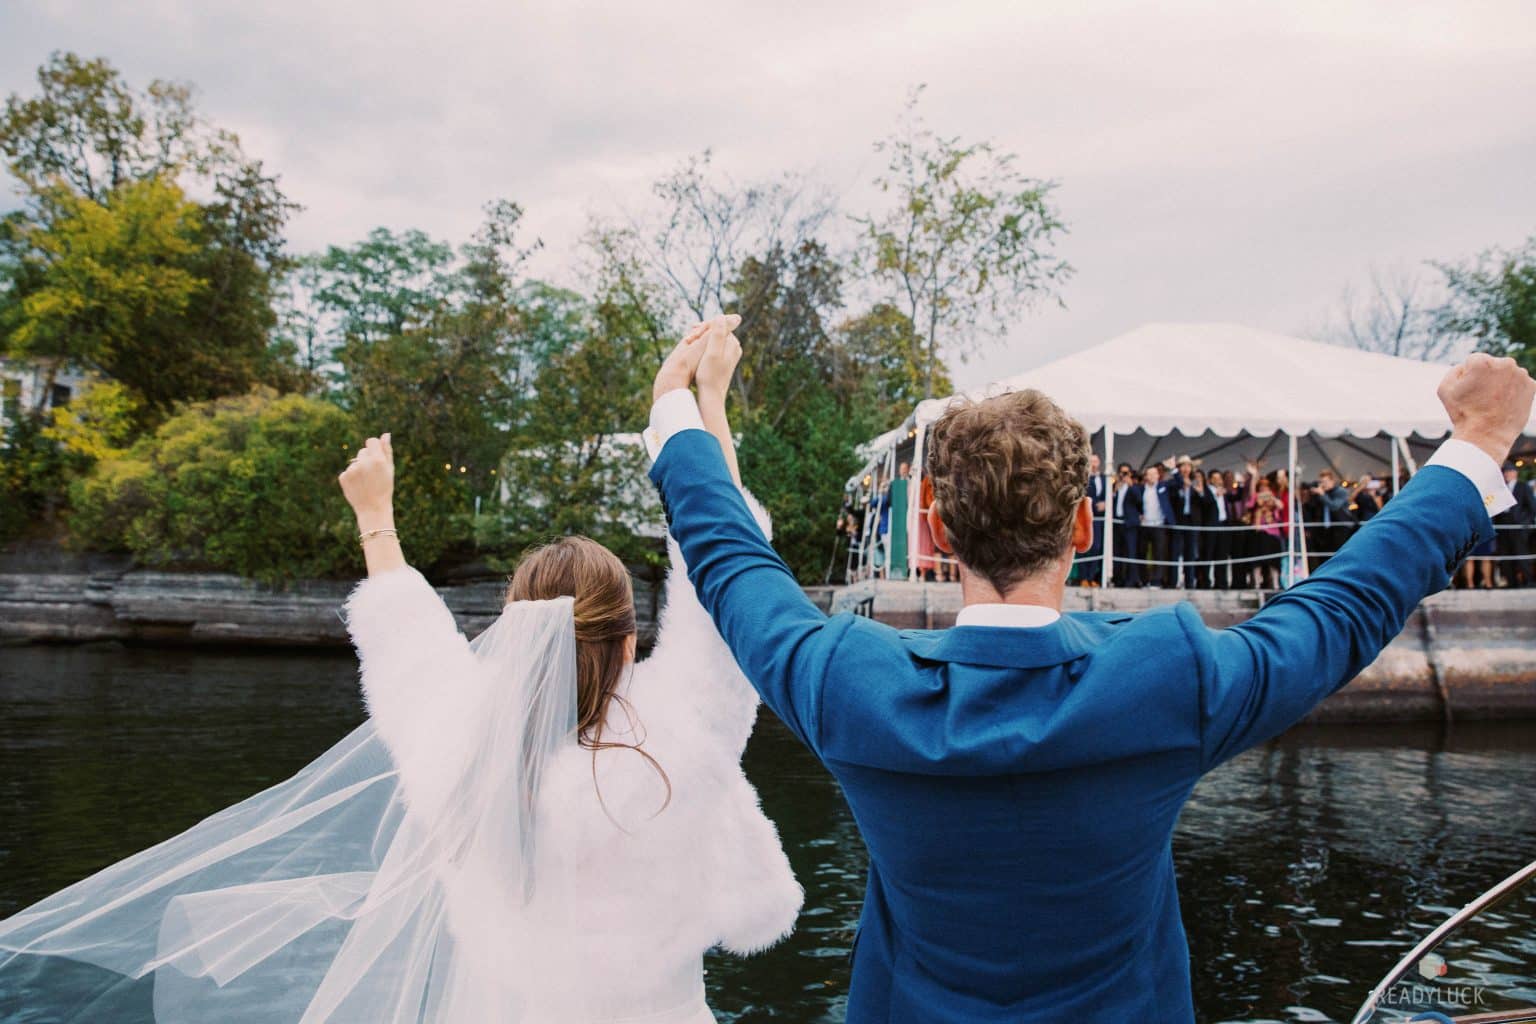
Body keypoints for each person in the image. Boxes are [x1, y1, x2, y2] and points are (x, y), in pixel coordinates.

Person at [648, 318, 1533, 1024]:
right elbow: (1341, 610)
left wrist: (678, 410)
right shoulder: (1167, 683)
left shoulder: (850, 685)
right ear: (1082, 528)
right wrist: (1481, 440)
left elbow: (734, 568)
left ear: (938, 533)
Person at [0, 320, 802, 1022]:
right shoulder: (686, 739)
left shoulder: (465, 757)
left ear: (514, 637)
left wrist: (375, 515)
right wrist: (708, 406)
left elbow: (407, 642)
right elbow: (724, 569)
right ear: (632, 643)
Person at [1131, 462, 1177, 587]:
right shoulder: (1140, 489)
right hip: (1145, 526)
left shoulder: (1163, 487)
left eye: (1153, 474)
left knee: (1159, 554)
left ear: (1158, 475)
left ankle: (1156, 581)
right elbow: (1132, 503)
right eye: (1149, 474)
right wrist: (1138, 515)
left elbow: (1177, 483)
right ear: (1145, 476)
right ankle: (1143, 580)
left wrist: (1173, 469)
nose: (1151, 476)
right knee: (1142, 553)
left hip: (1159, 525)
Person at [1494, 461, 1536, 587]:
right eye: (1505, 471)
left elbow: (1532, 507)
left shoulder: (1523, 487)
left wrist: (1525, 524)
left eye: (1509, 471)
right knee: (1505, 554)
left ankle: (1528, 581)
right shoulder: (1500, 488)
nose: (1506, 474)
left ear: (1515, 473)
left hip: (1518, 526)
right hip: (1503, 525)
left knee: (1520, 553)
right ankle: (1511, 581)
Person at [1203, 469, 1237, 590]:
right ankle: (1205, 582)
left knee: (1222, 555)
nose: (1218, 480)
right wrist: (1215, 496)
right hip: (1211, 525)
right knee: (1208, 554)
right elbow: (1205, 504)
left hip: (1224, 525)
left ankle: (1221, 582)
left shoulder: (1225, 492)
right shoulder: (1206, 491)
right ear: (1210, 480)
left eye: (1219, 478)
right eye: (1215, 478)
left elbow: (1236, 497)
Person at [1079, 453, 1109, 586]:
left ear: (1099, 463)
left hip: (1100, 519)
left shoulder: (1105, 479)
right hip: (1085, 516)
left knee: (1097, 547)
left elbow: (1111, 495)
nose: (1093, 464)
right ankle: (1084, 578)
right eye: (1091, 462)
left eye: (1095, 461)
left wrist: (1106, 503)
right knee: (1084, 547)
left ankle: (1092, 577)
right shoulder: (1082, 478)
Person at [1112, 463, 1141, 587]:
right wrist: (1114, 490)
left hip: (1129, 523)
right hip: (1117, 523)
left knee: (1130, 552)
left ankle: (1131, 580)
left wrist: (1131, 485)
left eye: (1126, 473)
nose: (1124, 475)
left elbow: (1139, 501)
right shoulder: (1115, 486)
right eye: (1122, 473)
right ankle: (1118, 579)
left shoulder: (1134, 487)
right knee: (1117, 552)